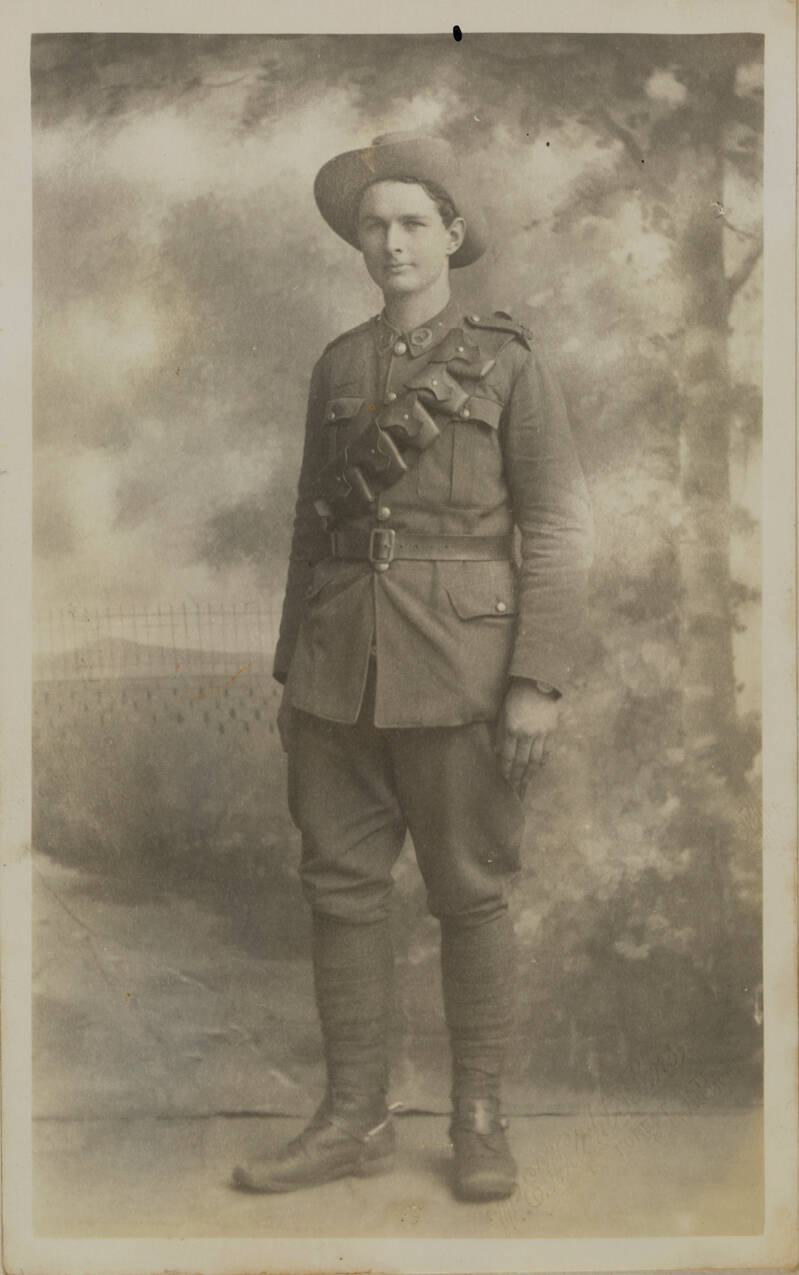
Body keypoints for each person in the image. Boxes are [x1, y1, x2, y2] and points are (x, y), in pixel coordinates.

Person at [232, 131, 593, 1201]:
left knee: (469, 891)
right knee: (341, 890)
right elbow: (312, 526)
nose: (390, 243)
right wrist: (295, 671)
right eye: (372, 227)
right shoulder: (338, 366)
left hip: (461, 665)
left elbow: (561, 530)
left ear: (450, 236)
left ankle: (477, 1116)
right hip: (338, 670)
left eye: (410, 224)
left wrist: (536, 680)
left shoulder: (510, 363)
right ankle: (353, 1119)